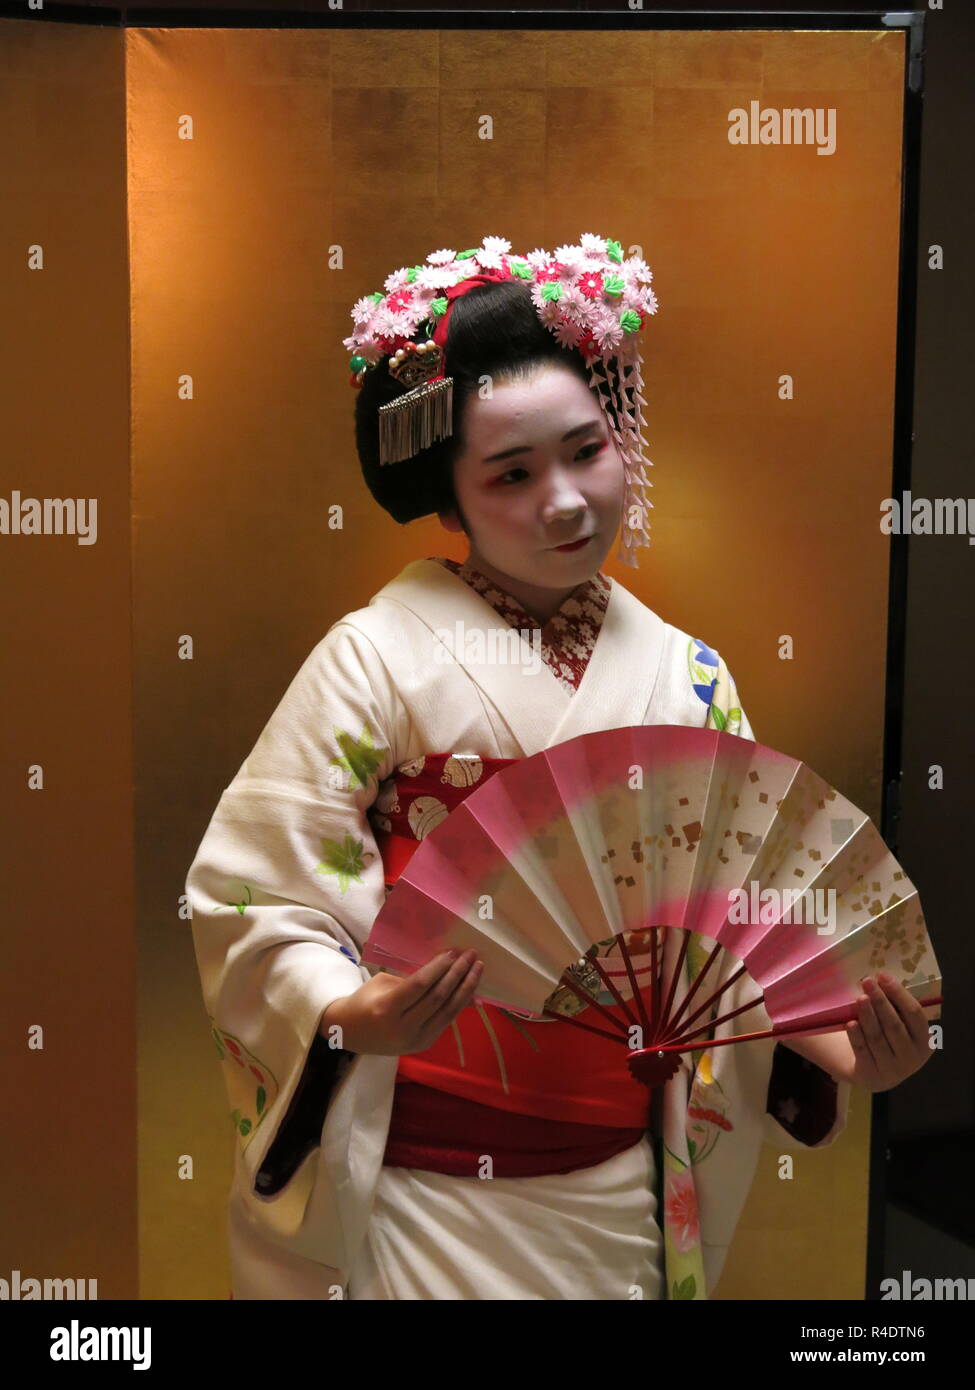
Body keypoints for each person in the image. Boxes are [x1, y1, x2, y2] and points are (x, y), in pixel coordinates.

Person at [186, 233, 937, 1301]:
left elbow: (741, 921)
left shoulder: (687, 676)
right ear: (447, 496)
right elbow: (251, 888)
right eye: (512, 473)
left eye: (588, 451)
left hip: (619, 1180)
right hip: (422, 1184)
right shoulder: (374, 656)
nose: (568, 500)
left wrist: (849, 1049)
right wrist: (350, 1009)